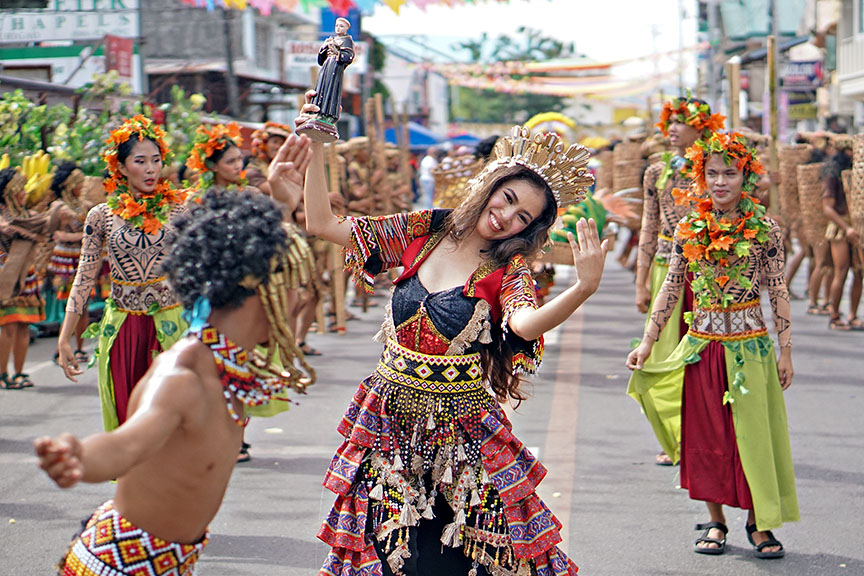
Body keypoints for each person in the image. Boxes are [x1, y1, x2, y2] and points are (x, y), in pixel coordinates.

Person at [302, 95, 606, 575]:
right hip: (386, 419)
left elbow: (523, 324)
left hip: (460, 432)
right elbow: (321, 224)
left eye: (524, 217)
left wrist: (584, 288)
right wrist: (317, 148)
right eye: (508, 199)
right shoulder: (424, 228)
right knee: (384, 550)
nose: (508, 217)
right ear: (489, 186)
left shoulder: (507, 268)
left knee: (453, 556)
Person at [35, 187, 315, 576]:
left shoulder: (229, 364)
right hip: (118, 568)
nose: (300, 299)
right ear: (257, 287)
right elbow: (124, 445)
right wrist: (79, 457)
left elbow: (244, 252)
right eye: (291, 284)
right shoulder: (182, 376)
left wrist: (280, 202)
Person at [627, 132, 798, 559]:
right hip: (701, 348)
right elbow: (672, 284)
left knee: (754, 439)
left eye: (730, 173)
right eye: (713, 173)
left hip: (751, 348)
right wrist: (649, 342)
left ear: (747, 176)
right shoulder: (690, 227)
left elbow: (778, 289)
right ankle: (716, 521)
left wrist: (787, 350)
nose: (721, 181)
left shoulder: (766, 230)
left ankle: (759, 523)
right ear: (701, 177)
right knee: (706, 440)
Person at [56, 115, 189, 431]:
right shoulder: (100, 215)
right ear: (120, 167)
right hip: (122, 330)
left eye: (156, 160)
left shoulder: (180, 210)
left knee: (171, 424)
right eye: (140, 161)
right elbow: (85, 277)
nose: (151, 169)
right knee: (129, 421)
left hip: (171, 325)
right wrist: (64, 338)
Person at [630, 96, 725, 466]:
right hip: (665, 270)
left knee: (703, 359)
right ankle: (677, 438)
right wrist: (641, 282)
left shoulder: (715, 168)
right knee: (662, 356)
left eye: (681, 122)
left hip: (706, 273)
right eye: (670, 121)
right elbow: (648, 227)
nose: (672, 129)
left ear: (701, 127)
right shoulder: (656, 172)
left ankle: (705, 438)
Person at [0, 167, 62, 388]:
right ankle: (2, 374)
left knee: (24, 325)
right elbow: (7, 229)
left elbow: (47, 226)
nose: (24, 194)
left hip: (27, 276)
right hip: (5, 277)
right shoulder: (3, 217)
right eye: (19, 190)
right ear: (9, 192)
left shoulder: (31, 216)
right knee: (8, 325)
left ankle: (18, 372)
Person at [47, 162, 92, 364]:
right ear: (68, 184)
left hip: (82, 257)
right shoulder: (58, 207)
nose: (81, 186)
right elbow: (50, 233)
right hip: (64, 259)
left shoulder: (85, 205)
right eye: (78, 182)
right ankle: (63, 347)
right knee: (70, 304)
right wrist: (75, 237)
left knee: (84, 304)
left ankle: (80, 348)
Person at [822, 145, 863, 330]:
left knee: (859, 273)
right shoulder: (832, 175)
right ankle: (835, 315)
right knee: (842, 270)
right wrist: (846, 228)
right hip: (840, 226)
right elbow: (827, 209)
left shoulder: (858, 175)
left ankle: (853, 315)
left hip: (857, 225)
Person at [298, 17, 354, 142]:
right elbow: (320, 59)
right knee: (321, 88)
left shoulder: (347, 40)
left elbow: (348, 57)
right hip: (327, 65)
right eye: (337, 26)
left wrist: (337, 53)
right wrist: (324, 47)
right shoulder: (331, 40)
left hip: (335, 67)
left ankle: (327, 114)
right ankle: (318, 111)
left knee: (331, 89)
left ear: (346, 29)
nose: (338, 28)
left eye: (341, 26)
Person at [185, 122, 248, 198]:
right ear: (214, 166)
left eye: (239, 158)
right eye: (230, 162)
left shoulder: (248, 193)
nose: (238, 166)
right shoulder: (200, 198)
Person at [247, 121, 292, 195]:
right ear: (263, 144)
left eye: (282, 144)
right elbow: (274, 190)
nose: (278, 147)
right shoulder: (253, 170)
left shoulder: (287, 166)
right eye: (275, 142)